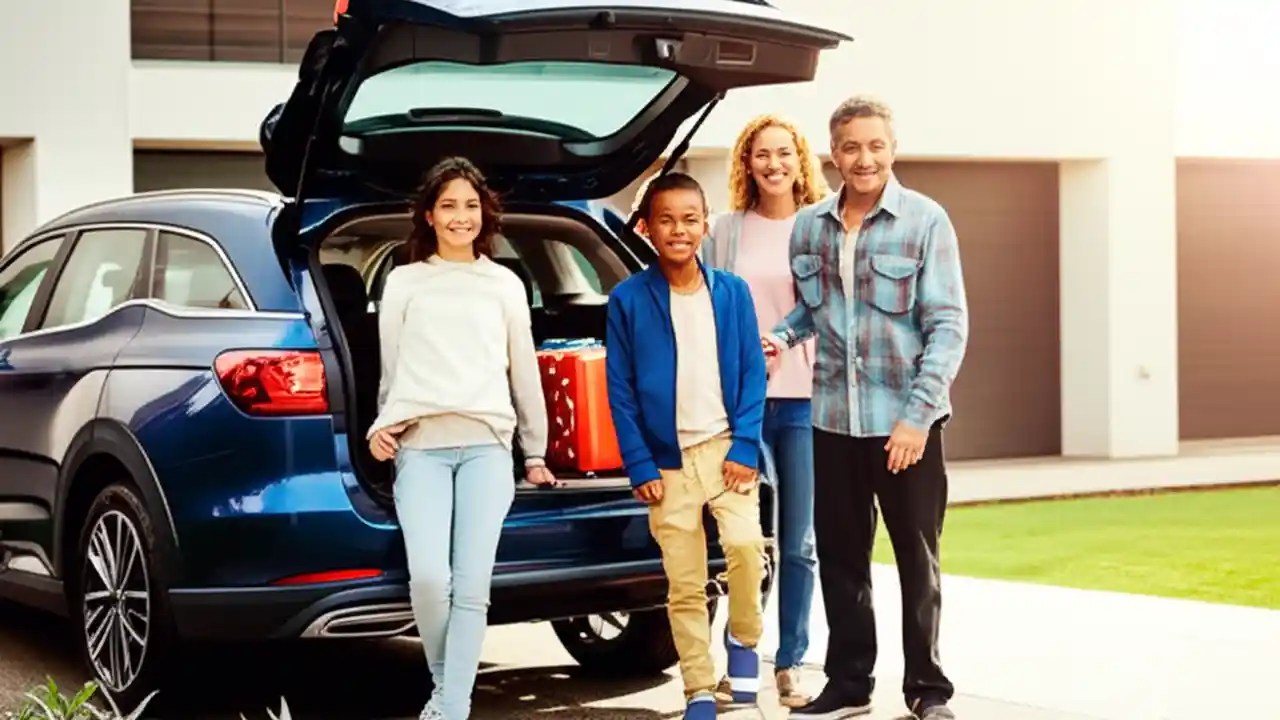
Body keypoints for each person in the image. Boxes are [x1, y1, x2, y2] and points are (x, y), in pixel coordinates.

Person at [770, 97, 969, 720]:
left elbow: (948, 326)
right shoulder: (809, 226)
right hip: (832, 418)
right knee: (840, 556)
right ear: (834, 153)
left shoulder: (925, 220)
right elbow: (819, 310)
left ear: (893, 147)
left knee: (917, 561)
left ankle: (927, 690)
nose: (864, 158)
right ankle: (850, 682)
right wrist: (780, 335)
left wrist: (917, 417)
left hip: (905, 424)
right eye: (851, 147)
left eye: (875, 145)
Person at [366, 156, 558, 720]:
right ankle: (449, 692)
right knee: (429, 579)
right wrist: (383, 427)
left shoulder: (503, 283)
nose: (460, 217)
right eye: (448, 205)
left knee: (472, 587)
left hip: (486, 448)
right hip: (420, 446)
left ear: (485, 213)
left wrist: (536, 451)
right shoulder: (403, 281)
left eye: (470, 205)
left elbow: (524, 369)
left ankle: (450, 708)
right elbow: (391, 369)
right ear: (428, 214)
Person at [605, 172, 769, 720]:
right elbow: (620, 391)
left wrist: (746, 443)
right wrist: (639, 462)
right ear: (647, 228)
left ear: (705, 224)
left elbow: (751, 372)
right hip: (666, 464)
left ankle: (743, 642)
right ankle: (698, 687)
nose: (679, 229)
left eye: (690, 219)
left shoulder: (732, 293)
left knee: (747, 549)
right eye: (667, 220)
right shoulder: (628, 299)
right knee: (685, 580)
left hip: (727, 450)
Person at [703, 113, 830, 708]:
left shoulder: (821, 226)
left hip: (807, 402)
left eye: (784, 153)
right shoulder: (726, 232)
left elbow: (830, 306)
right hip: (741, 406)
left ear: (800, 159)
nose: (774, 164)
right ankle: (740, 659)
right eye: (761, 155)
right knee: (745, 539)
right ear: (746, 164)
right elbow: (692, 294)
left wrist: (779, 338)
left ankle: (793, 662)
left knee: (799, 542)